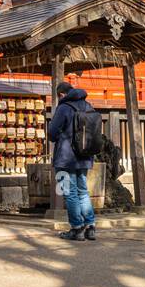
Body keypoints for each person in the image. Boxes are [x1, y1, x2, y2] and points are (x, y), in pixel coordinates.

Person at [47, 81, 97, 241]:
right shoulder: (88, 106)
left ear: (61, 94)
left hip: (65, 158)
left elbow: (52, 133)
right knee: (83, 191)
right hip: (84, 156)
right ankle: (90, 226)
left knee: (69, 193)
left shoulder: (63, 107)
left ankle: (76, 228)